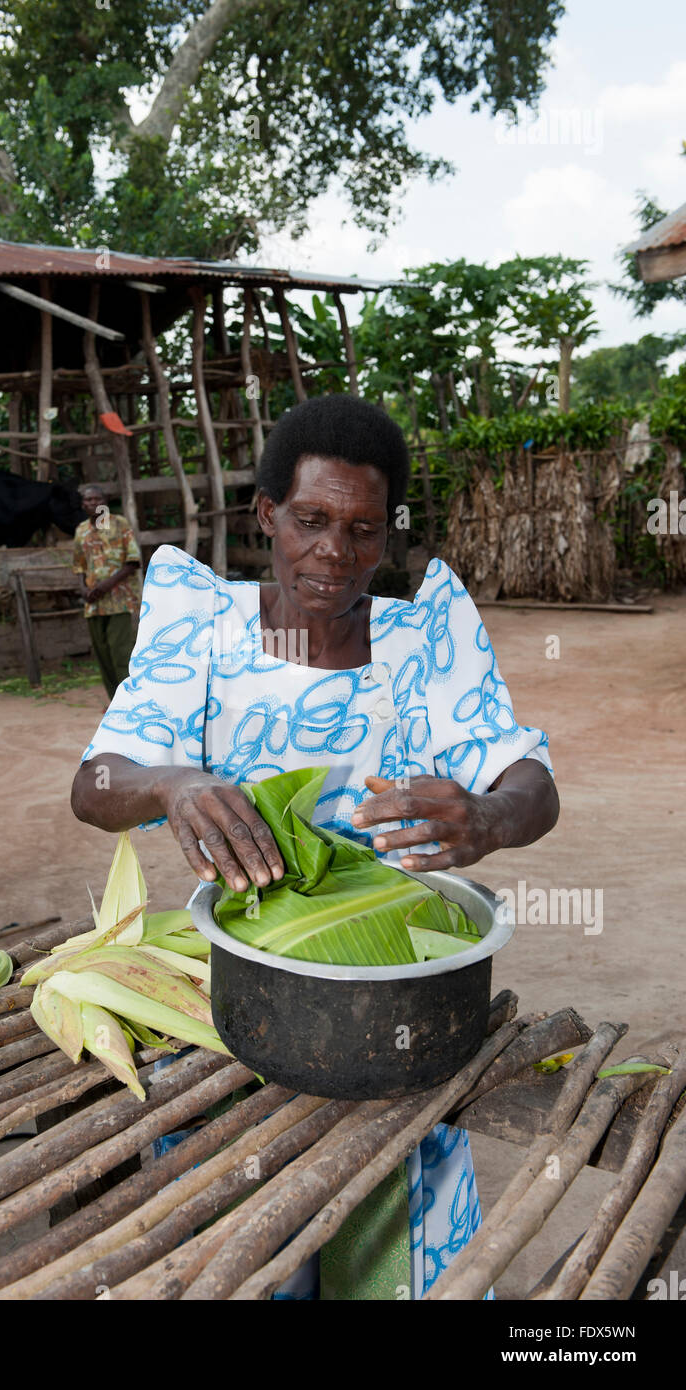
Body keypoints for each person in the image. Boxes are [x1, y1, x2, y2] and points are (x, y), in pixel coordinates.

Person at [71, 394, 559, 1298]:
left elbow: (532, 782)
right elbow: (94, 787)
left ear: (387, 534)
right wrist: (172, 783)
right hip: (238, 992)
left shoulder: (424, 639)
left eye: (363, 529)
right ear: (266, 515)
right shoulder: (204, 624)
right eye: (312, 520)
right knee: (253, 1258)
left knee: (397, 1249)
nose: (336, 552)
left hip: (394, 1004)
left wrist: (487, 820)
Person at [72, 484, 142, 702]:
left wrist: (106, 586)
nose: (92, 503)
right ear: (83, 504)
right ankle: (114, 701)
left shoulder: (120, 524)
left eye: (97, 499)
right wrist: (84, 589)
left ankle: (130, 701)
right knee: (102, 654)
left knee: (120, 652)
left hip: (119, 600)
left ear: (105, 501)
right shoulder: (81, 530)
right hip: (93, 603)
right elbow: (78, 566)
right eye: (88, 500)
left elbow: (133, 562)